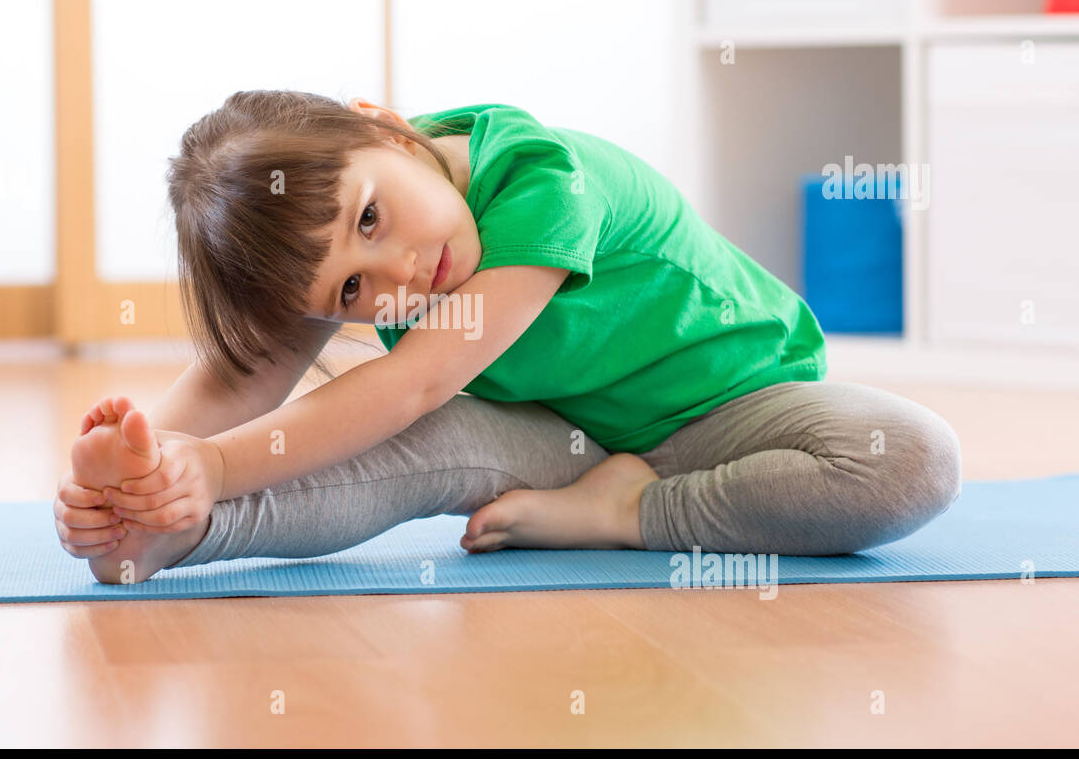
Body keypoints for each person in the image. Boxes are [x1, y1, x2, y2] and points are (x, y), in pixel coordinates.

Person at [54, 92, 962, 585]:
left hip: (738, 409)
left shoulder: (542, 181)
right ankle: (173, 541)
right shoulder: (364, 243)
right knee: (384, 442)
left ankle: (627, 515)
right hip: (553, 427)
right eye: (353, 289)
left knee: (911, 460)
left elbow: (407, 384)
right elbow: (247, 372)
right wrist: (152, 471)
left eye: (375, 219)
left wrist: (212, 465)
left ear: (391, 130)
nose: (401, 273)